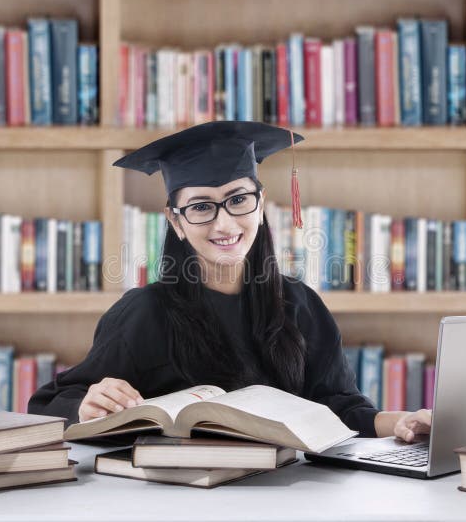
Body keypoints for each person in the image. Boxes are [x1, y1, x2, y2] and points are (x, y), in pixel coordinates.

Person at [28, 121, 432, 443]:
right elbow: (48, 403)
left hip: (292, 499)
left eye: (238, 199)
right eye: (202, 207)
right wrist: (88, 405)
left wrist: (401, 421)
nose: (224, 223)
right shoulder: (145, 313)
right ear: (175, 221)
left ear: (260, 203)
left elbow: (338, 408)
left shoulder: (299, 304)